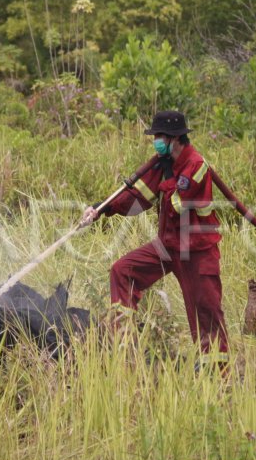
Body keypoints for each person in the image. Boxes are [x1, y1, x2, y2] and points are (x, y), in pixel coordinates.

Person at [81, 110, 229, 366]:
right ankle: (125, 347)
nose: (156, 140)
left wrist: (164, 172)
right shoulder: (164, 163)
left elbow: (178, 204)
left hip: (196, 251)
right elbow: (137, 202)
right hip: (168, 246)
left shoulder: (196, 166)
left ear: (175, 138)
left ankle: (218, 375)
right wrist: (102, 208)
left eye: (160, 136)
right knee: (123, 271)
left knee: (206, 312)